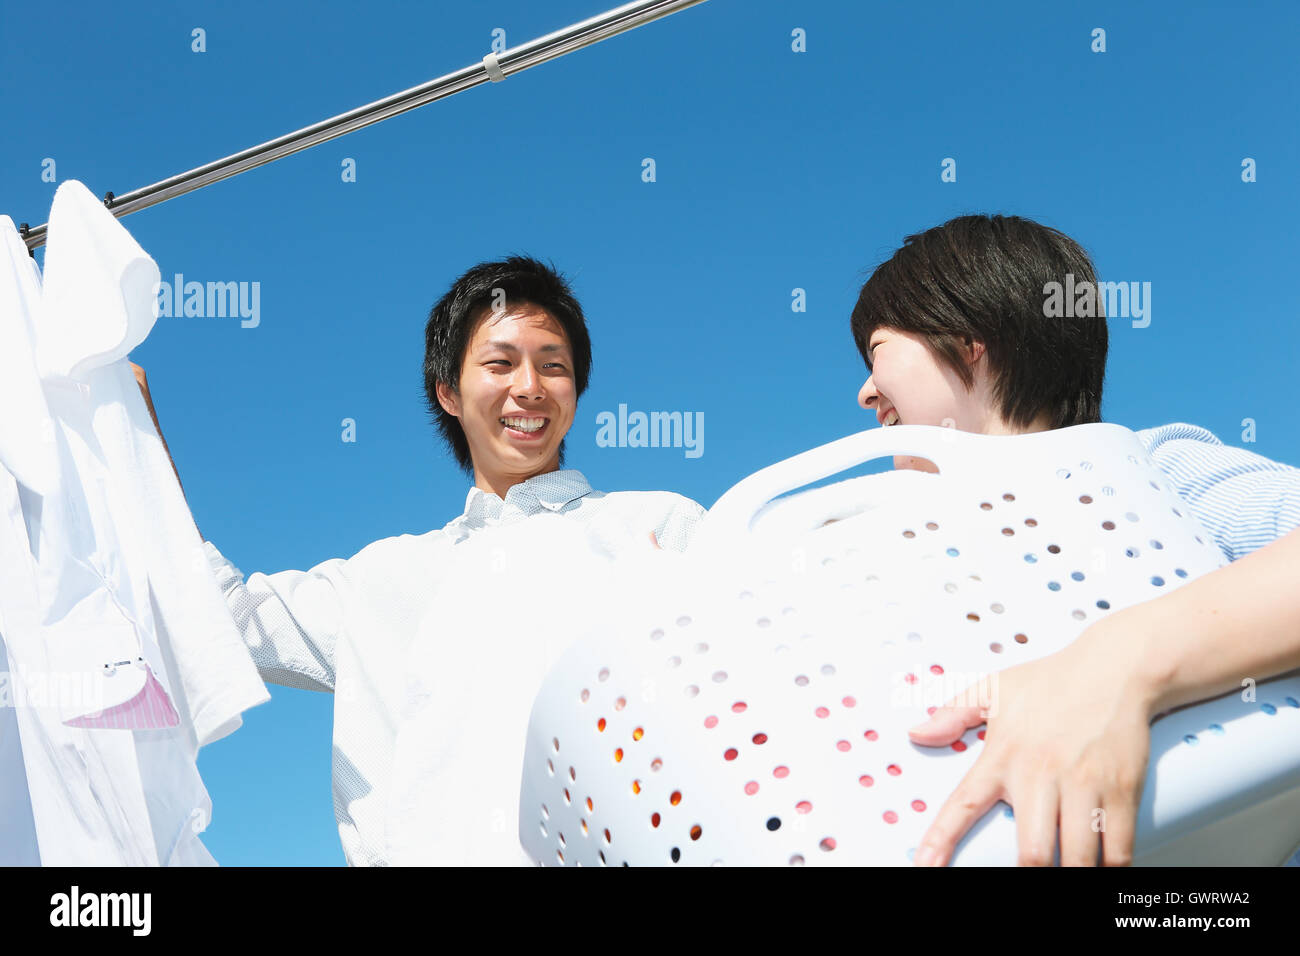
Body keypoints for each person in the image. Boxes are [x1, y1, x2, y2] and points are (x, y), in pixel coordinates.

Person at [134, 256, 706, 866]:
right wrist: (132, 434)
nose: (530, 386)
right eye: (500, 362)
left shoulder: (656, 526)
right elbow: (223, 617)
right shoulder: (382, 579)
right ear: (449, 392)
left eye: (553, 365)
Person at [849, 214, 1300, 866]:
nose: (865, 392)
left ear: (968, 337)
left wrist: (1116, 665)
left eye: (879, 350)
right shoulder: (870, 547)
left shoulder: (1154, 472)